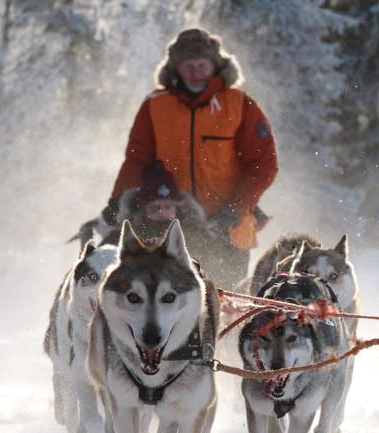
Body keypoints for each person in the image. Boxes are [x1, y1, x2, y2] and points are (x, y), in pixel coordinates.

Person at [95, 28, 278, 287]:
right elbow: (137, 160)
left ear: (214, 65)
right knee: (169, 302)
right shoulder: (155, 105)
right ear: (175, 68)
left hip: (226, 228)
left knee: (222, 300)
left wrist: (236, 208)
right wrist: (117, 200)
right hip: (168, 226)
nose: (195, 72)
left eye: (201, 65)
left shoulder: (239, 104)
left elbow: (263, 164)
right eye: (187, 65)